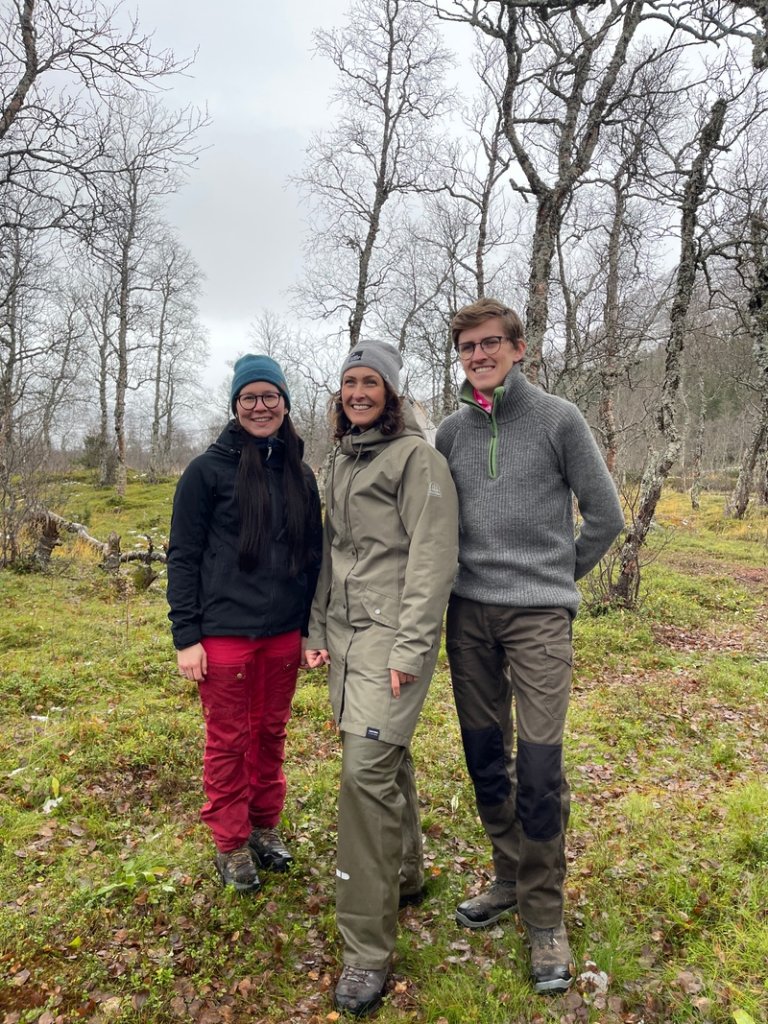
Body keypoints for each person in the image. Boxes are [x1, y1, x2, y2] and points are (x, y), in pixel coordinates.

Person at [435, 298, 625, 994]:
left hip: (539, 618)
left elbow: (606, 518)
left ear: (519, 349)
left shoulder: (559, 420)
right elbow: (427, 523)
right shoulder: (451, 433)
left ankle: (546, 916)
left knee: (540, 766)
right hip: (468, 617)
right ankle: (509, 875)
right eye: (466, 349)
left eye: (490, 345)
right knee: (487, 755)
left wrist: (554, 580)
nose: (478, 357)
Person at [305, 341, 458, 1017]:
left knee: (363, 774)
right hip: (344, 638)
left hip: (395, 640)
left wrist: (410, 650)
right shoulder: (340, 459)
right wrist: (316, 629)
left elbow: (432, 562)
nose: (358, 392)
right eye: (349, 383)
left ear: (391, 394)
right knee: (380, 759)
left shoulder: (416, 459)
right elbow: (331, 553)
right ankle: (406, 875)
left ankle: (367, 950)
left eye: (370, 383)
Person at [167, 354, 322, 893]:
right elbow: (183, 556)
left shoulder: (300, 473)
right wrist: (186, 636)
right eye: (249, 397)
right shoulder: (206, 472)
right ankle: (230, 842)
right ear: (235, 406)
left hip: (282, 632)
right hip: (225, 633)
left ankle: (264, 826)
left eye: (270, 396)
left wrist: (309, 630)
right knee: (229, 738)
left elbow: (312, 557)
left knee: (271, 733)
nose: (261, 406)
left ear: (285, 403)